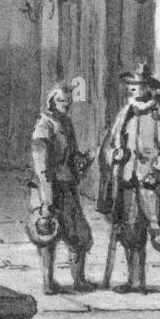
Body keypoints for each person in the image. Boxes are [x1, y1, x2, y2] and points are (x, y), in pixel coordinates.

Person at [96, 62, 160, 301]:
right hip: (128, 182)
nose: (132, 90)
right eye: (130, 86)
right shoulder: (125, 114)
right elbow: (110, 145)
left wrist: (157, 171)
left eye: (137, 86)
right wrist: (114, 155)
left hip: (154, 187)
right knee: (130, 232)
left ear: (149, 87)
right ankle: (135, 281)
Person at [27, 81, 95, 295]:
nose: (65, 104)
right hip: (49, 188)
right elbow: (42, 167)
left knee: (79, 234)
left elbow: (71, 156)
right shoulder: (44, 126)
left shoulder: (65, 122)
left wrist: (81, 161)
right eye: (60, 100)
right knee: (47, 234)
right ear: (52, 102)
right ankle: (48, 283)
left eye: (68, 100)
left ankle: (79, 279)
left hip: (67, 187)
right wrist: (46, 200)